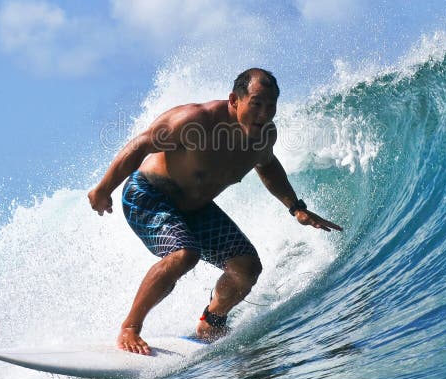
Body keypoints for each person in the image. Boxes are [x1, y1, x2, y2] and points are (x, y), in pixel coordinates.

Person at [88, 68, 342, 355]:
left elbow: (267, 165)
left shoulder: (263, 136)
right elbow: (141, 145)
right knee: (184, 254)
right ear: (234, 100)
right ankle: (130, 327)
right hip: (148, 195)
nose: (264, 114)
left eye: (271, 106)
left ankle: (211, 322)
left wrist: (296, 208)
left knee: (246, 267)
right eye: (256, 104)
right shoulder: (195, 121)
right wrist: (103, 189)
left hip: (195, 208)